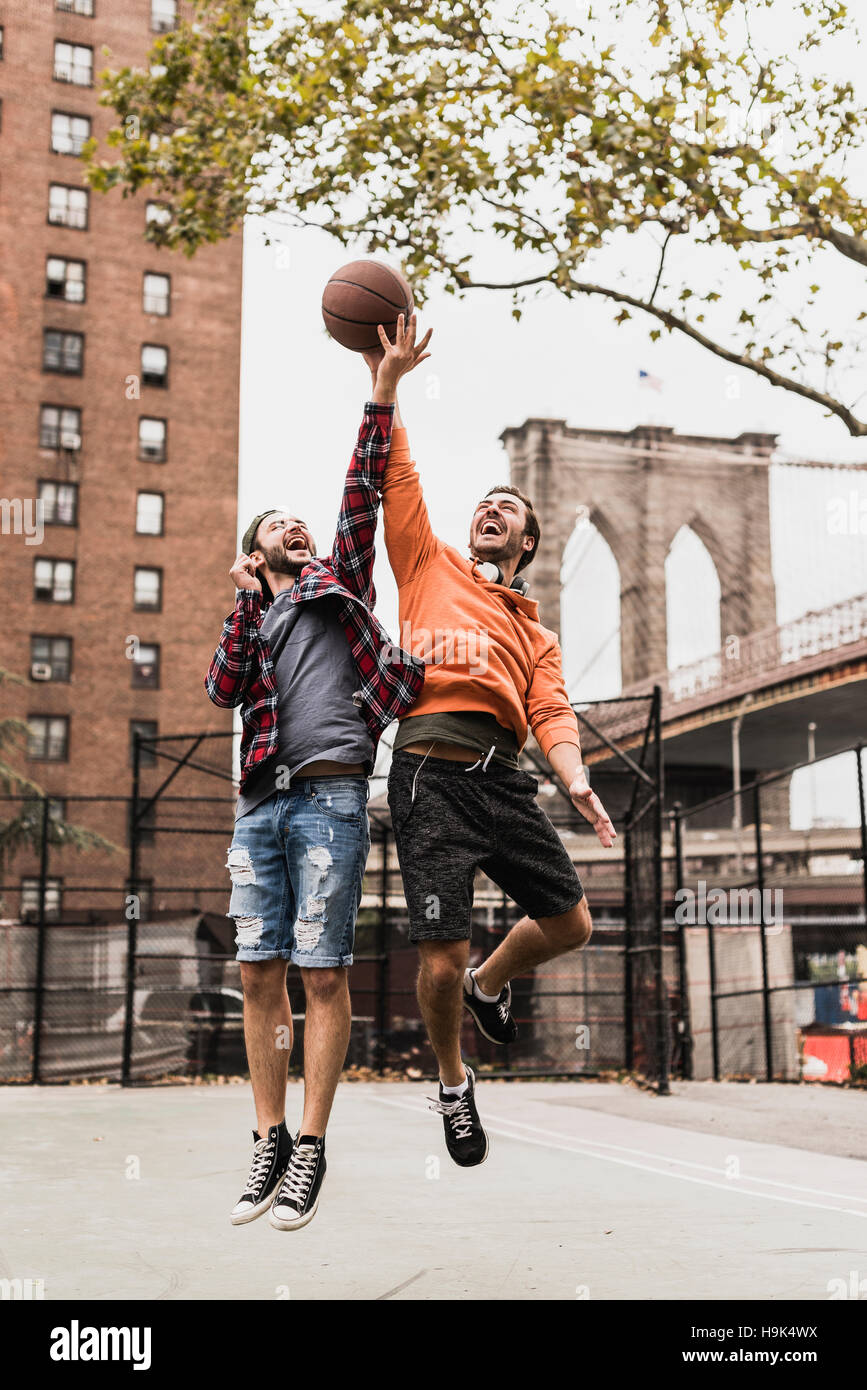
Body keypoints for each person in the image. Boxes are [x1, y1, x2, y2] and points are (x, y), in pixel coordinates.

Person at [365, 324, 616, 1169]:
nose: (489, 509)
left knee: (572, 923)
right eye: (484, 502)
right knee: (437, 957)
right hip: (428, 772)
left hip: (504, 781)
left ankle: (490, 985)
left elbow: (551, 713)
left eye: (507, 509)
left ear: (527, 544)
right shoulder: (427, 565)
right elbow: (395, 478)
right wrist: (385, 383)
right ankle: (450, 1081)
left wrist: (575, 779)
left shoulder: (535, 633)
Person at [205, 323, 430, 1229]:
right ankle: (264, 1141)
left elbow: (358, 496)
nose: (293, 526)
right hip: (259, 806)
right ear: (255, 556)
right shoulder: (253, 619)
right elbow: (221, 690)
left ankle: (310, 1146)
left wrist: (381, 391)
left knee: (321, 974)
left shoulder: (339, 585)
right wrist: (242, 606)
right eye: (273, 526)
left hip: (333, 796)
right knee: (259, 972)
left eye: (296, 521)